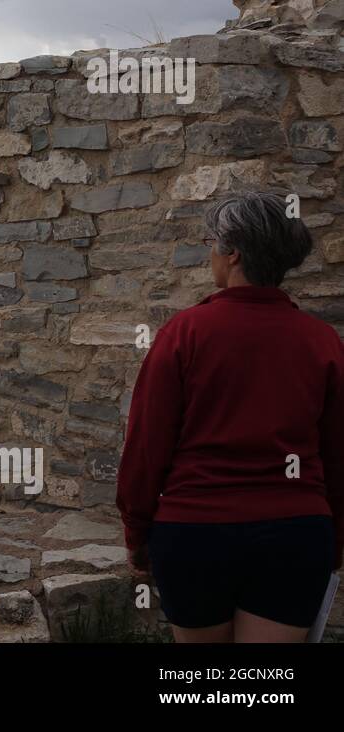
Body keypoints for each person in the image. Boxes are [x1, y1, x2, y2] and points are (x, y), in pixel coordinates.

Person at [116, 191, 344, 642]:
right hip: (295, 533)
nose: (209, 252)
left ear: (232, 251)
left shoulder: (183, 333)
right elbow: (338, 452)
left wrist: (137, 532)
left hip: (195, 532)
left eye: (211, 241)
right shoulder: (322, 341)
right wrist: (334, 538)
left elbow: (146, 445)